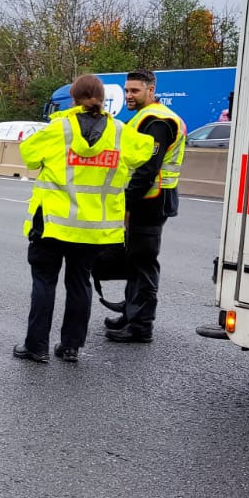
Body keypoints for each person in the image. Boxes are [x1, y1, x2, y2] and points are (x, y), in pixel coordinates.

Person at [14, 75, 154, 363]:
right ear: (104, 99)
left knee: (44, 284)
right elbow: (147, 150)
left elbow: (28, 153)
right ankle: (71, 347)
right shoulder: (119, 132)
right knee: (80, 284)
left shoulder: (59, 129)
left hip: (52, 225)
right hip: (93, 230)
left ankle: (36, 346)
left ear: (73, 98)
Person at [105, 70, 185, 343]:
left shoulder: (159, 121)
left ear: (151, 90)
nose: (129, 95)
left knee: (143, 262)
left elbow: (148, 169)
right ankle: (130, 314)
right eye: (127, 90)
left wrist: (126, 203)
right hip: (147, 199)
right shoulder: (144, 118)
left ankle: (141, 325)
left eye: (135, 91)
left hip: (150, 200)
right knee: (135, 259)